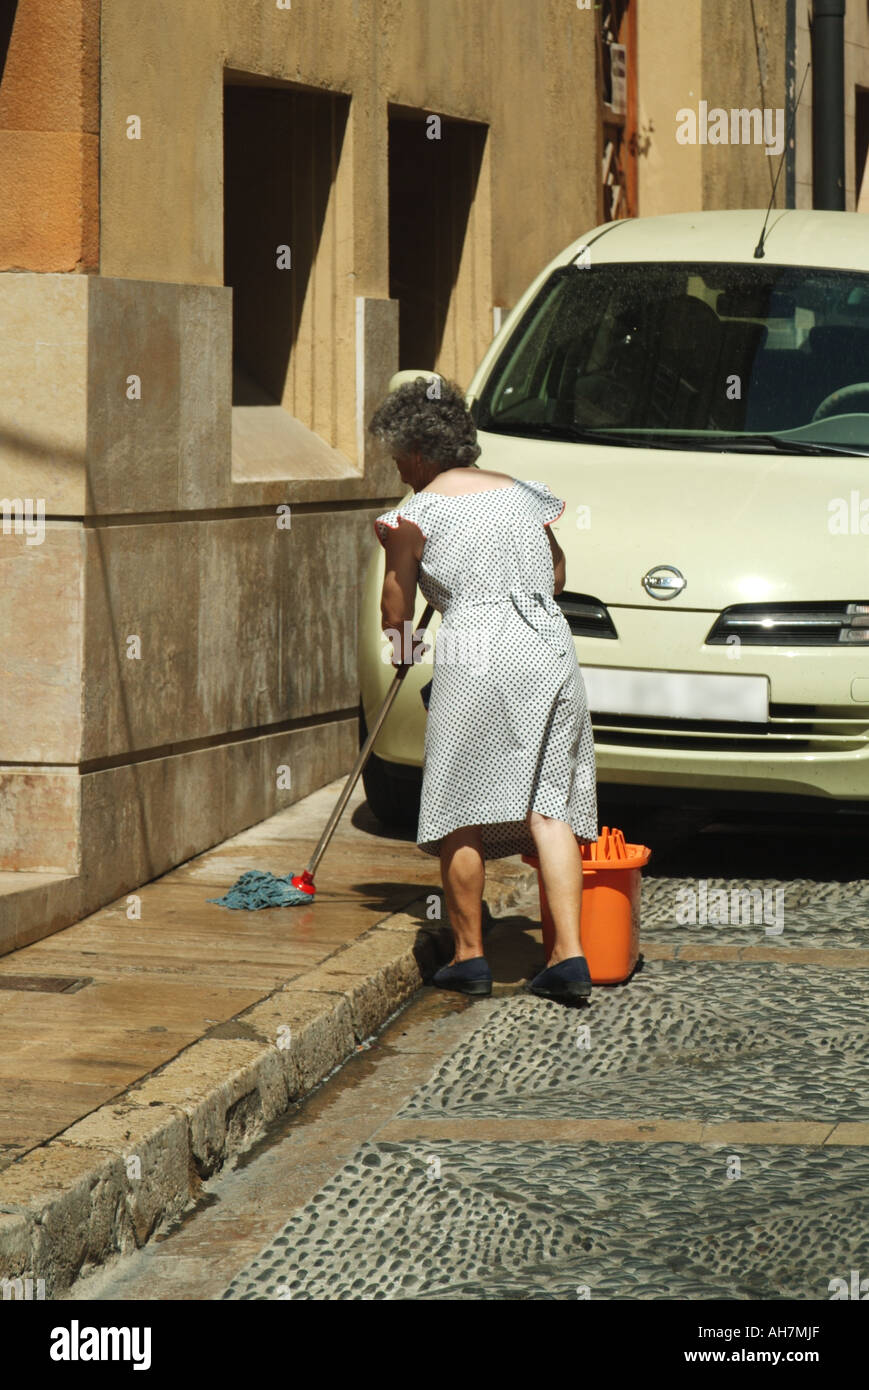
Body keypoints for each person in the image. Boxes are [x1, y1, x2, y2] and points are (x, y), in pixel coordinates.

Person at [368, 377, 598, 1005]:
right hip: (548, 649)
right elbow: (555, 574)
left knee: (460, 809)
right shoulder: (525, 495)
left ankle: (470, 957)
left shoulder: (417, 514)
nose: (399, 472)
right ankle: (568, 958)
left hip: (475, 653)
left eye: (397, 460)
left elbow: (396, 603)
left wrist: (407, 645)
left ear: (416, 453)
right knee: (551, 807)